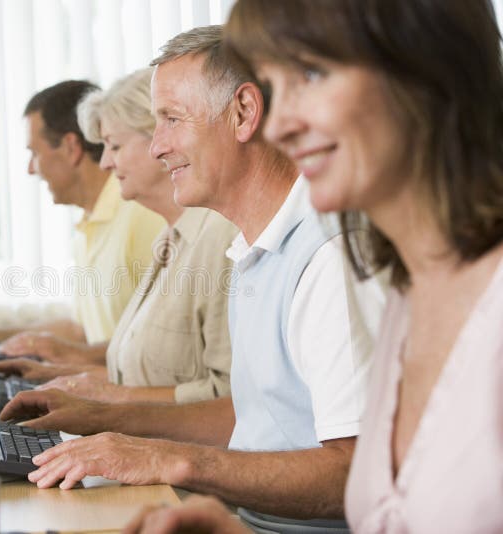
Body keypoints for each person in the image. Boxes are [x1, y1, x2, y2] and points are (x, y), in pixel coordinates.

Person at [0, 26, 386, 524]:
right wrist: (105, 420)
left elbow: (353, 473)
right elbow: (248, 417)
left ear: (244, 113)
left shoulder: (328, 258)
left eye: (171, 120)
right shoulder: (253, 247)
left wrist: (169, 460)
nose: (157, 147)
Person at [220, 1, 503, 532]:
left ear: (427, 69)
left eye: (311, 72)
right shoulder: (407, 291)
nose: (277, 127)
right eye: (272, 84)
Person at [0, 68, 237, 404]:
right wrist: (66, 373)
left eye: (114, 145)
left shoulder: (185, 228)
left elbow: (223, 394)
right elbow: (137, 357)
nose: (105, 162)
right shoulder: (168, 236)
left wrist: (108, 396)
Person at [0, 80, 164, 353]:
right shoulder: (90, 225)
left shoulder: (142, 212)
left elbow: (161, 350)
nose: (30, 169)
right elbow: (83, 331)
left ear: (71, 147)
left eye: (35, 153)